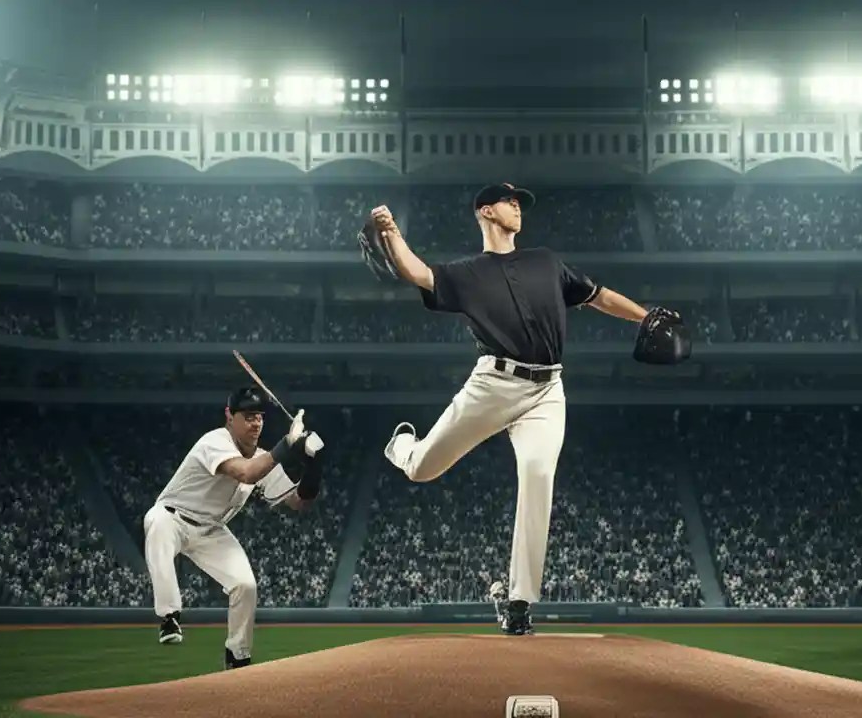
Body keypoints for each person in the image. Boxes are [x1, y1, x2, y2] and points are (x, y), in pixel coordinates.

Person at [367, 183, 661, 635]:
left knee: (539, 476)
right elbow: (419, 274)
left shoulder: (546, 261)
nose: (518, 206)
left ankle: (520, 602)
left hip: (547, 390)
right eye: (510, 201)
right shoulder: (467, 273)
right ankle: (404, 446)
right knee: (422, 469)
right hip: (493, 384)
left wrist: (645, 316)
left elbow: (599, 295)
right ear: (487, 211)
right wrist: (391, 234)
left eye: (520, 202)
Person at [143, 387, 324, 668]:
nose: (256, 423)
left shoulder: (263, 457)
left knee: (245, 585)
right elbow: (246, 472)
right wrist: (288, 443)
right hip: (173, 517)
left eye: (260, 417)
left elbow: (298, 502)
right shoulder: (213, 441)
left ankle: (238, 656)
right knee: (155, 522)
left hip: (212, 530)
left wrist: (314, 464)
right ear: (230, 416)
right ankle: (169, 617)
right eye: (248, 416)